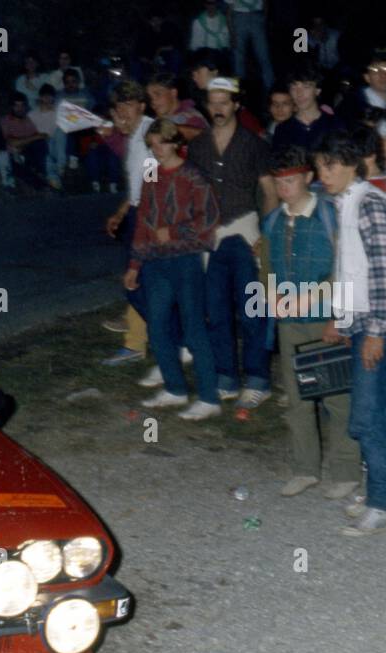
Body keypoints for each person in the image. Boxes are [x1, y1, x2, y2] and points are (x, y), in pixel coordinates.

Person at [313, 132, 386, 536]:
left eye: (331, 166)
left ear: (351, 166)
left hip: (384, 323)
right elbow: (349, 268)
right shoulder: (346, 203)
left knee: (365, 418)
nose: (323, 174)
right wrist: (341, 319)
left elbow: (385, 270)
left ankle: (379, 504)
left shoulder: (368, 202)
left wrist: (374, 331)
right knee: (384, 412)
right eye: (320, 166)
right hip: (367, 321)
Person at [259, 146, 360, 499]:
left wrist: (331, 312)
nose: (284, 186)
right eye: (278, 180)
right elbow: (268, 266)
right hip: (290, 321)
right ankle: (305, 468)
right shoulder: (273, 221)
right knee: (297, 395)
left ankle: (346, 470)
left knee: (335, 393)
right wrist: (270, 295)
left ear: (307, 178)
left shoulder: (330, 216)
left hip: (325, 319)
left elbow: (346, 268)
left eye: (290, 179)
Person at [187, 77, 276, 411]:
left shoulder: (254, 144)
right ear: (207, 105)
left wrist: (265, 235)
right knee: (216, 311)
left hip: (245, 232)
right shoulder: (197, 147)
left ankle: (258, 380)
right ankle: (226, 375)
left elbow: (268, 192)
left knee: (253, 310)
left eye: (226, 102)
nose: (219, 109)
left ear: (237, 104)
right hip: (211, 238)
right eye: (214, 102)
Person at [124, 119, 222, 420]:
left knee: (194, 326)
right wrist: (134, 264)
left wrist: (176, 232)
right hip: (155, 261)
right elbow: (143, 219)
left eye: (163, 143)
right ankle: (174, 388)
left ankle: (209, 398)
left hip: (185, 259)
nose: (158, 150)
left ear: (176, 142)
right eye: (152, 144)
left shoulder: (193, 175)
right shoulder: (151, 171)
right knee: (157, 325)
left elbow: (209, 219)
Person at [99, 82, 154, 367]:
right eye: (119, 107)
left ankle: (167, 338)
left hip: (150, 217)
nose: (123, 112)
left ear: (141, 107)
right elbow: (135, 186)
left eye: (129, 105)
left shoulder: (149, 132)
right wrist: (121, 214)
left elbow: (155, 182)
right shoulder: (133, 137)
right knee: (134, 282)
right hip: (135, 213)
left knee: (137, 283)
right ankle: (139, 342)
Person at [273, 67, 344, 151]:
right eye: (293, 87)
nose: (299, 93)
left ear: (317, 90)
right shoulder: (283, 130)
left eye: (306, 87)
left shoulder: (334, 123)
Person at [145, 71, 209, 142]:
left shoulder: (191, 117)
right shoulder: (155, 119)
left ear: (173, 93)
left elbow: (207, 138)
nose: (153, 101)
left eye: (158, 94)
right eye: (150, 97)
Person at [227, 0, 273, 90]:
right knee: (238, 58)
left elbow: (266, 3)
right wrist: (231, 34)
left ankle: (270, 88)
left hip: (257, 16)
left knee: (263, 55)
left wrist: (264, 20)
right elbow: (229, 11)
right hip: (239, 17)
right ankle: (237, 90)